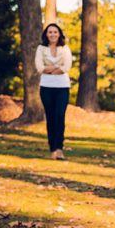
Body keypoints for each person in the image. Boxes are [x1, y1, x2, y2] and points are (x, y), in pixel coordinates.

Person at [35, 23, 73, 160]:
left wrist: (51, 68)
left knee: (59, 116)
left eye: (55, 32)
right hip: (46, 86)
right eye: (50, 32)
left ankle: (59, 149)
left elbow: (67, 66)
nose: (52, 34)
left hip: (62, 86)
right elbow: (39, 67)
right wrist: (57, 67)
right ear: (46, 34)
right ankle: (52, 149)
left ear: (59, 34)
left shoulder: (65, 48)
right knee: (50, 117)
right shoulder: (41, 49)